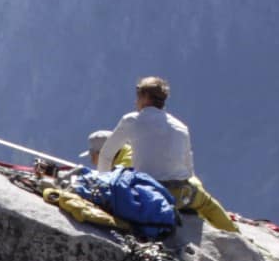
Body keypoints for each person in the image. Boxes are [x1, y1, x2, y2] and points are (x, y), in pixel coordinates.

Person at [95, 75, 236, 233]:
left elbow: (106, 155)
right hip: (181, 195)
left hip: (148, 192)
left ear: (145, 97)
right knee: (207, 204)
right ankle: (237, 235)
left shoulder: (131, 120)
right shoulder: (180, 126)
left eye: (138, 95)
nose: (136, 101)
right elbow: (189, 170)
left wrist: (104, 187)